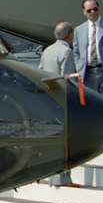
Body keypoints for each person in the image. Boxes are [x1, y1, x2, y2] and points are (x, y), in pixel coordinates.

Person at [39, 22, 76, 186]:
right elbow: (67, 78)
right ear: (70, 35)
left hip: (48, 99)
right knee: (66, 139)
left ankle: (51, 175)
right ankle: (63, 178)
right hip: (62, 99)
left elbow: (39, 71)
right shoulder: (66, 52)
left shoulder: (47, 50)